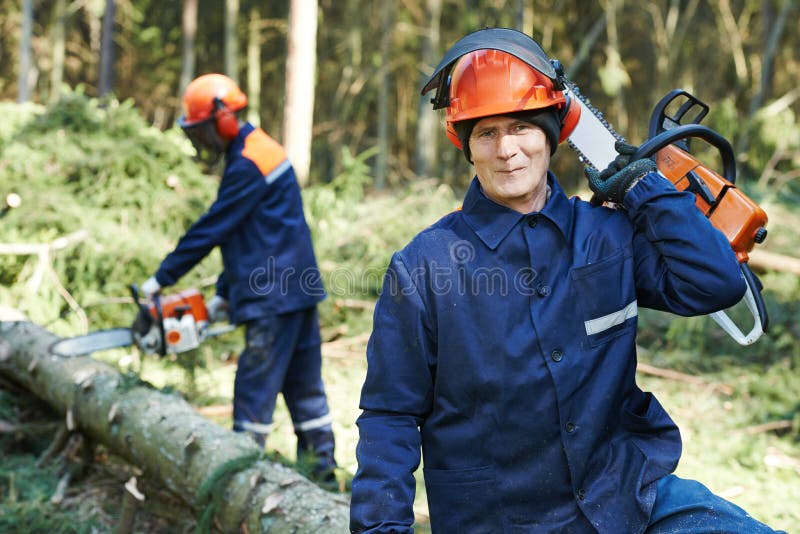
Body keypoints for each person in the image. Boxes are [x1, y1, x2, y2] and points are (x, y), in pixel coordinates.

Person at [350, 28, 783, 533]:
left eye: (521, 128)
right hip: (500, 519)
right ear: (465, 145)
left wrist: (646, 187)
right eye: (486, 133)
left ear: (553, 133)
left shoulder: (606, 235)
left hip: (627, 496)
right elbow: (389, 415)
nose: (506, 149)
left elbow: (717, 284)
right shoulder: (426, 267)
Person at [140, 73, 337, 482]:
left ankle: (240, 476)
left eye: (203, 132)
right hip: (294, 287)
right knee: (305, 390)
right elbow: (254, 234)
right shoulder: (255, 150)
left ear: (224, 120)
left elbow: (215, 227)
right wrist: (226, 294)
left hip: (273, 295)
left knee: (254, 390)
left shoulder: (248, 161)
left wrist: (161, 278)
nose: (203, 141)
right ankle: (322, 474)